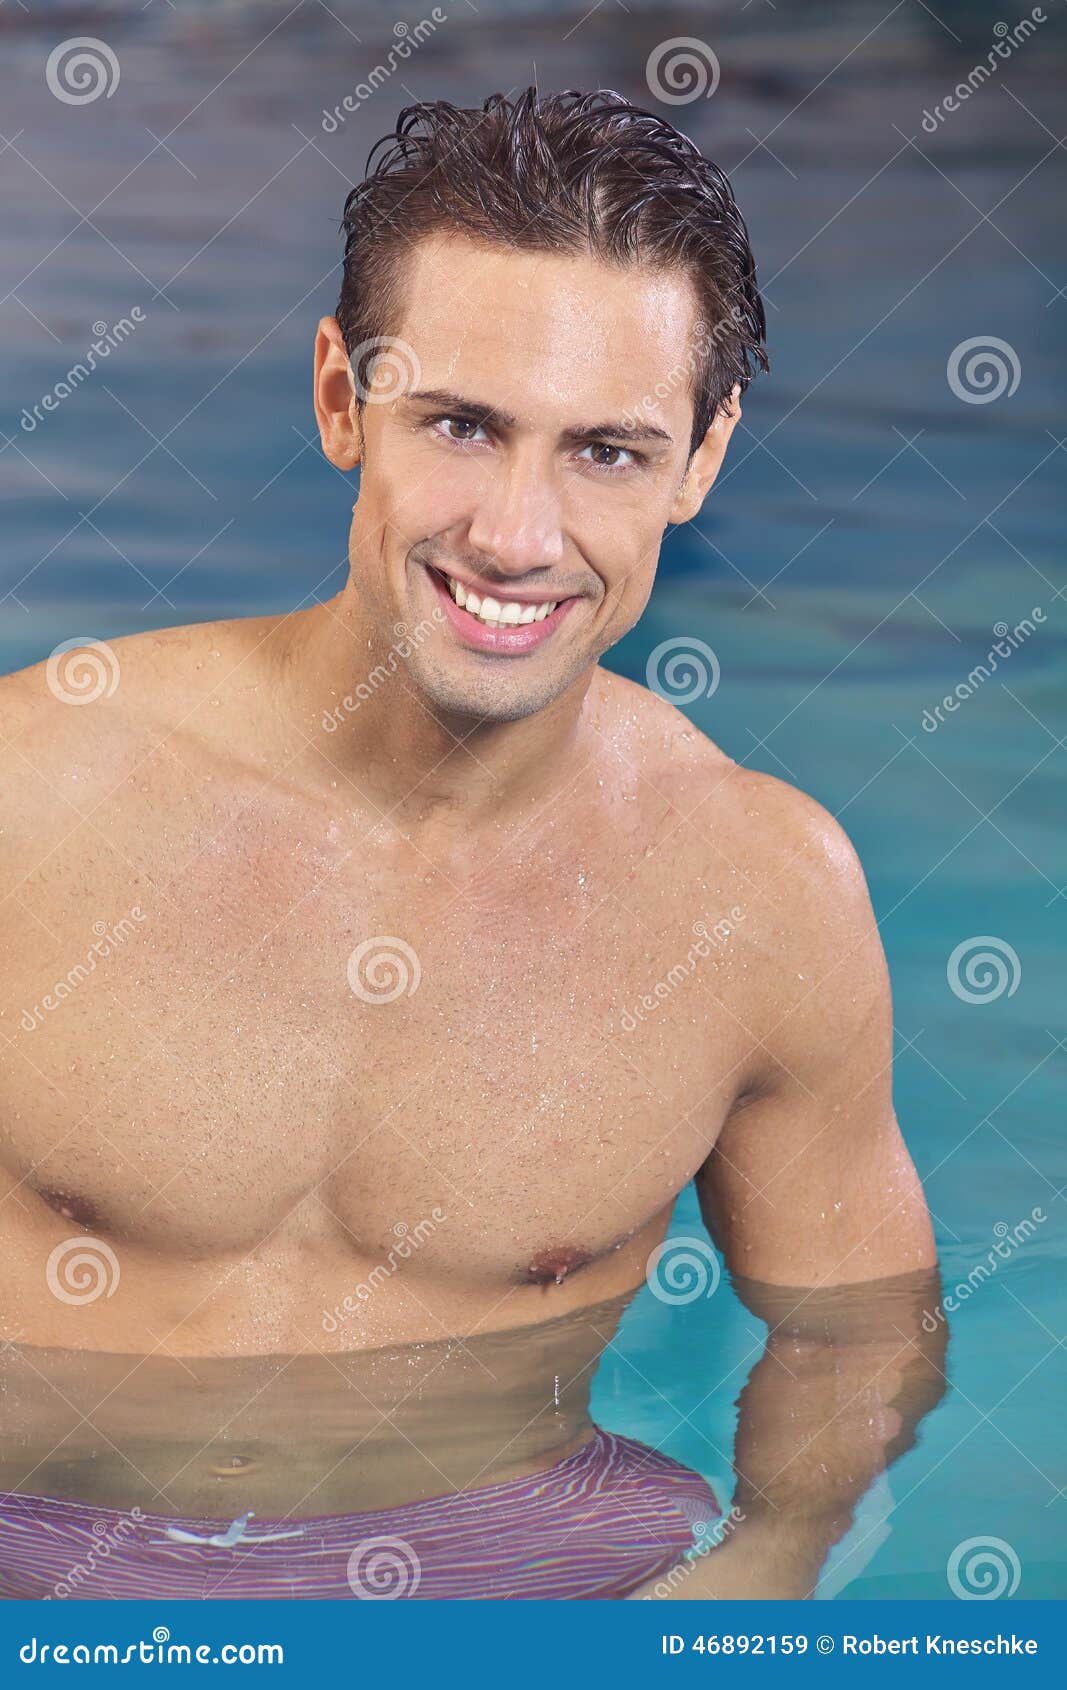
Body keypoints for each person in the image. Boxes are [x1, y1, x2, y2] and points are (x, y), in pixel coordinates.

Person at [0, 89, 941, 1601]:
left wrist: (768, 1561)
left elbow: (855, 1326)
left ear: (703, 460)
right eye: (461, 424)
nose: (516, 533)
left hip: (516, 1561)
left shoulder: (762, 894)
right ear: (338, 397)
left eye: (610, 454)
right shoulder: (31, 791)